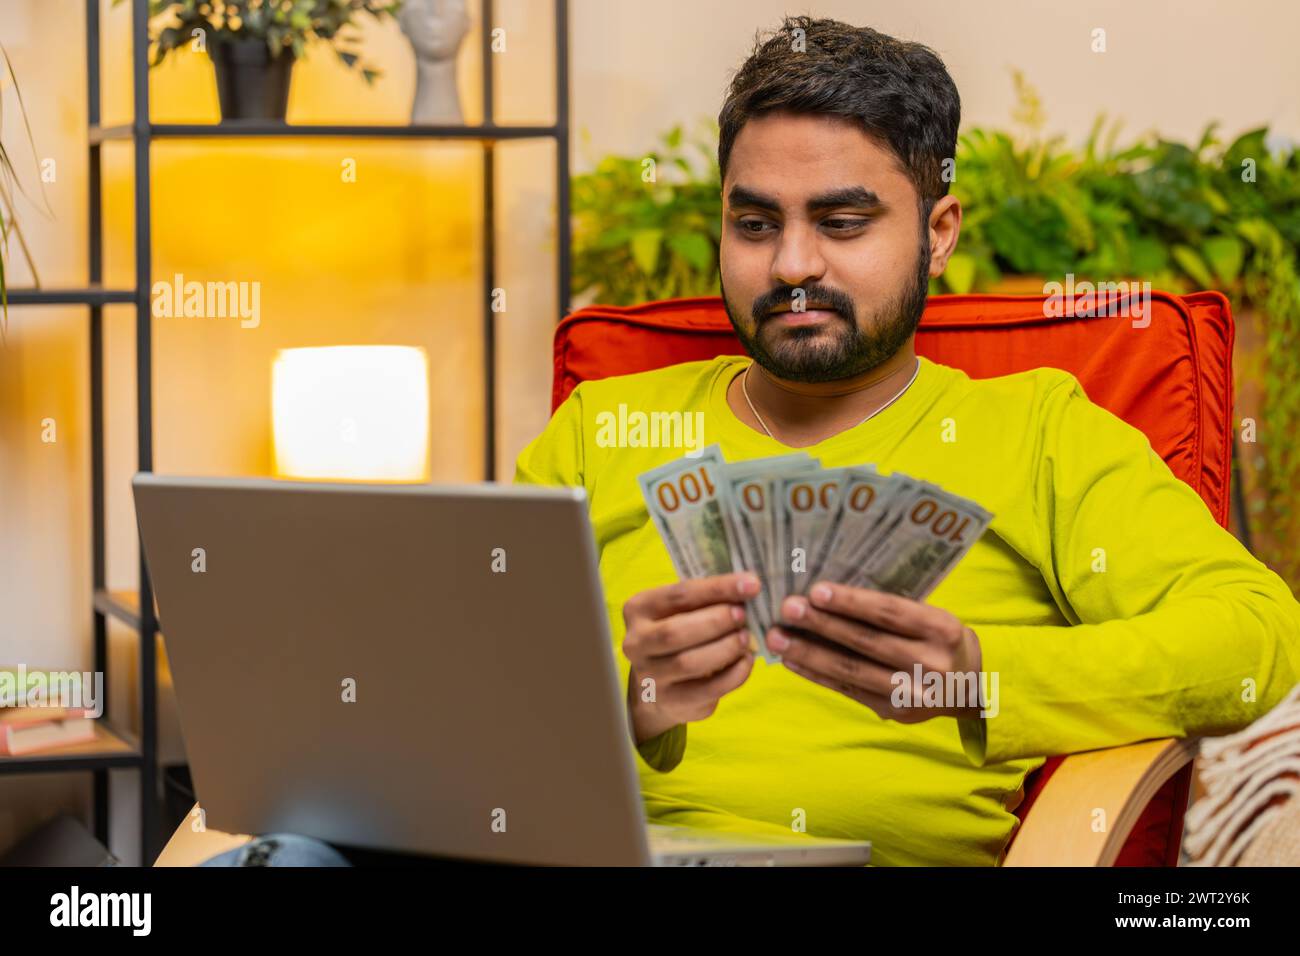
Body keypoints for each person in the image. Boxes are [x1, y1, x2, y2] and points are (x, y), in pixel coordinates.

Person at [511, 15, 1300, 866]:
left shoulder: (1038, 431)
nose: (791, 265)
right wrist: (627, 705)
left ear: (938, 233)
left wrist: (979, 673)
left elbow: (1258, 640)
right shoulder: (603, 428)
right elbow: (471, 684)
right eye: (755, 224)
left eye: (843, 222)